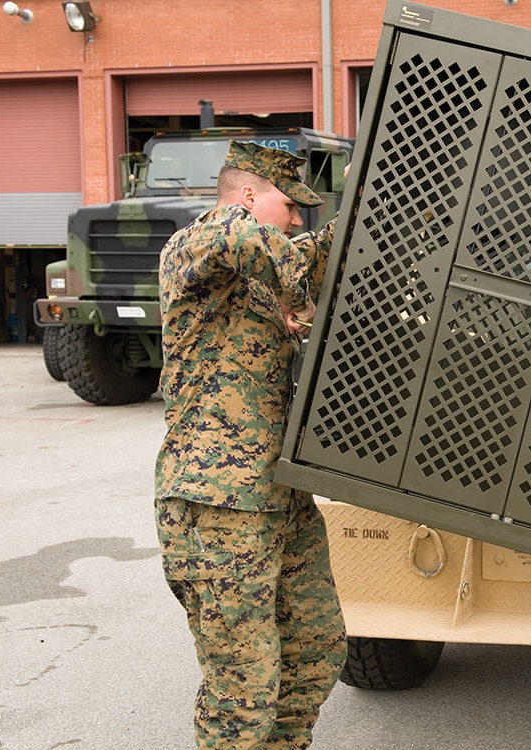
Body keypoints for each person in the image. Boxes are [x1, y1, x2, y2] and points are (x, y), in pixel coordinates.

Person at [155, 140, 346, 748]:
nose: (295, 220)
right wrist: (300, 293)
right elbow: (248, 244)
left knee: (315, 648)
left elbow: (311, 257)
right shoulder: (201, 243)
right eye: (288, 205)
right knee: (244, 689)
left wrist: (371, 218)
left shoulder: (262, 279)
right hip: (217, 503)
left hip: (279, 495)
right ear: (244, 196)